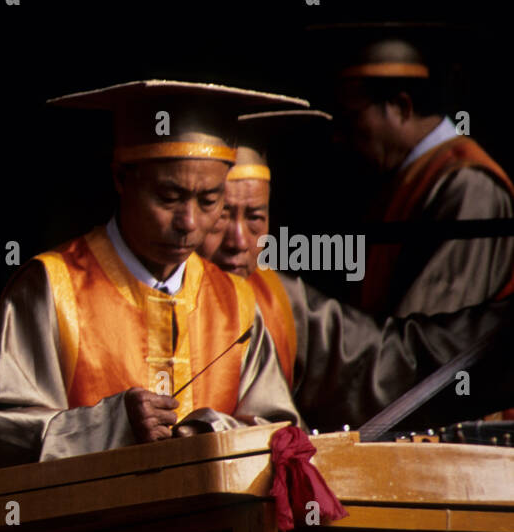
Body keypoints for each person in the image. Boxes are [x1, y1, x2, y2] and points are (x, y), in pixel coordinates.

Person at [0, 80, 303, 472]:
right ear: (121, 179)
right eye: (169, 198)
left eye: (209, 200)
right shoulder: (53, 288)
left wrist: (206, 436)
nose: (189, 222)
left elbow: (284, 436)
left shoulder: (235, 301)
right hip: (88, 529)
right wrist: (108, 427)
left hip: (220, 531)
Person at [202, 110, 514, 430]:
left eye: (255, 217)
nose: (239, 241)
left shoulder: (278, 297)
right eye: (222, 214)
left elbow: (386, 363)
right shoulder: (155, 295)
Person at [325, 27, 514, 318]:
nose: (339, 137)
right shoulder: (399, 180)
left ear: (401, 107)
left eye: (351, 116)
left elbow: (429, 341)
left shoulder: (469, 187)